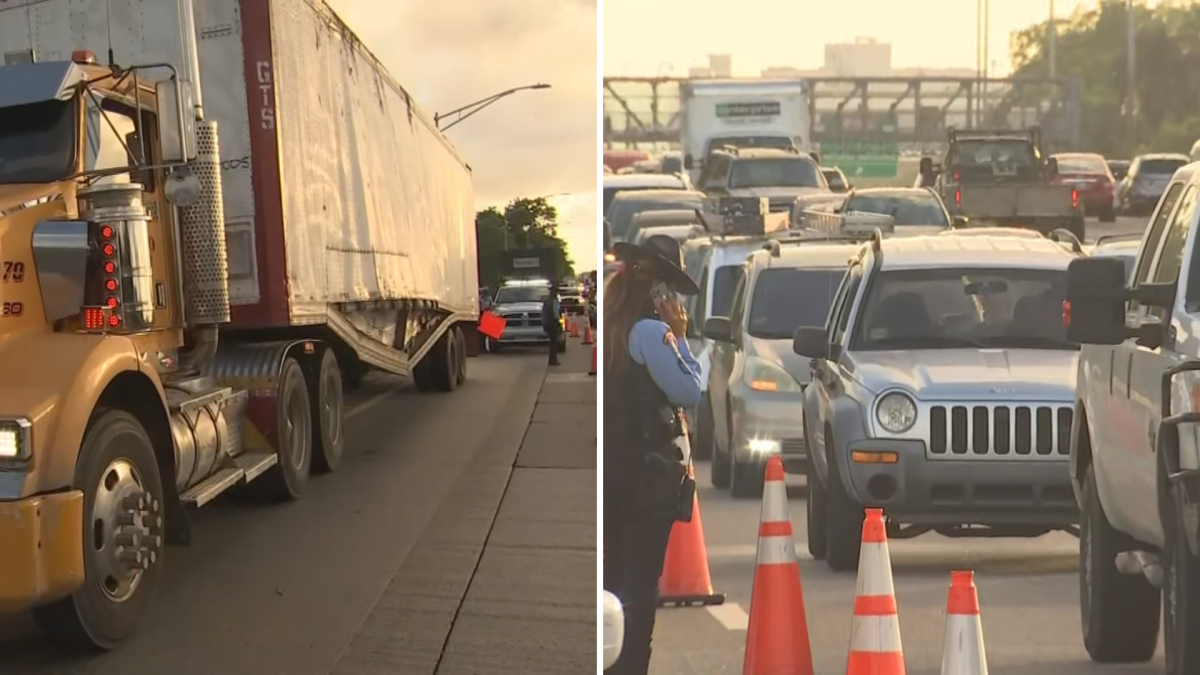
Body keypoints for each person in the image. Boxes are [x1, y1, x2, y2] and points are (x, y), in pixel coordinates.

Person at [603, 235, 702, 674]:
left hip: (612, 472)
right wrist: (680, 338)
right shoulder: (651, 331)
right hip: (646, 475)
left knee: (614, 579)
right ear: (659, 291)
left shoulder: (609, 323)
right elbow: (689, 390)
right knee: (640, 588)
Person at [541, 281, 563, 366]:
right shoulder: (554, 301)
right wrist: (559, 323)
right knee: (554, 343)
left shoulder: (546, 301)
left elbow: (543, 313)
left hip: (547, 323)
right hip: (553, 323)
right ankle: (553, 360)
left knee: (551, 342)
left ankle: (552, 360)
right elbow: (556, 314)